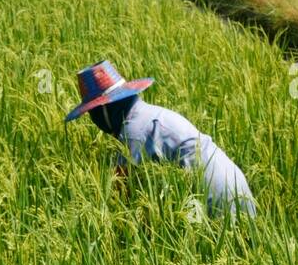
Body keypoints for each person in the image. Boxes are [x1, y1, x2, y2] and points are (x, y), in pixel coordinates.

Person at [65, 60, 256, 218]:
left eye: (92, 112)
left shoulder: (134, 133)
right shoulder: (148, 115)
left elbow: (121, 200)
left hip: (217, 203)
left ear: (104, 109)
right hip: (237, 190)